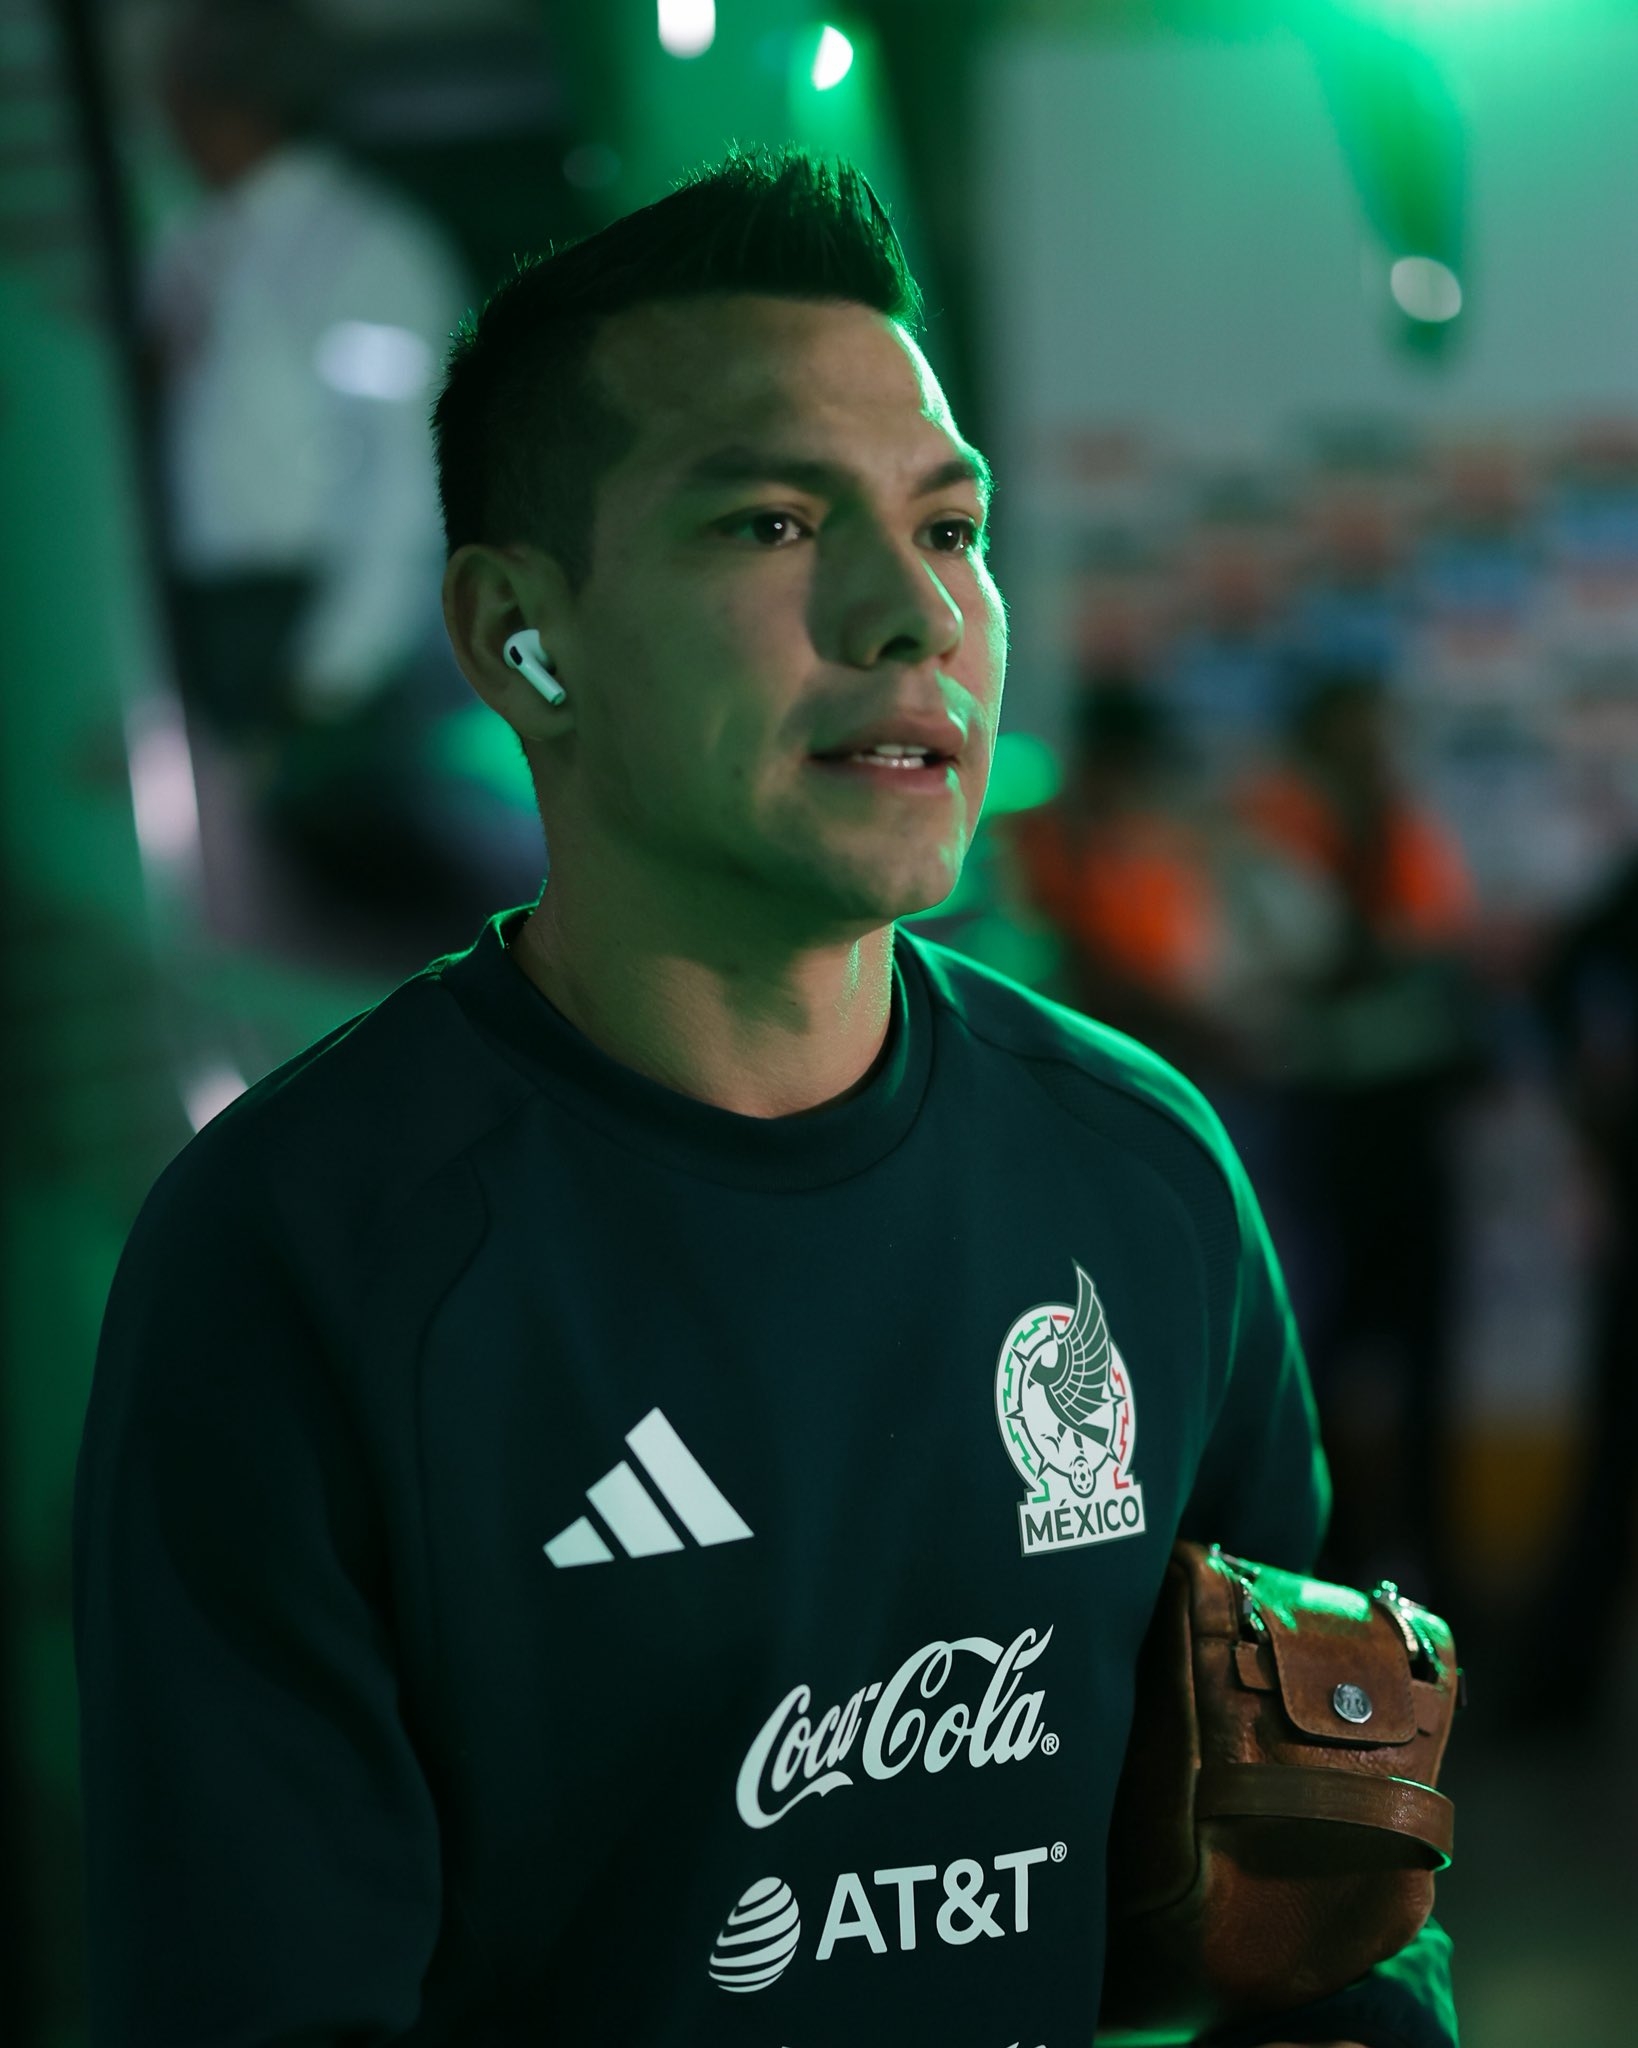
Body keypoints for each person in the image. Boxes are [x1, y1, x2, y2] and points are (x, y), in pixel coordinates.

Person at [75, 147, 1455, 2047]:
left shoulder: (1143, 1177)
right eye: (772, 525)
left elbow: (1315, 1915)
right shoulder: (304, 1259)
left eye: (951, 527)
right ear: (517, 634)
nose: (912, 617)